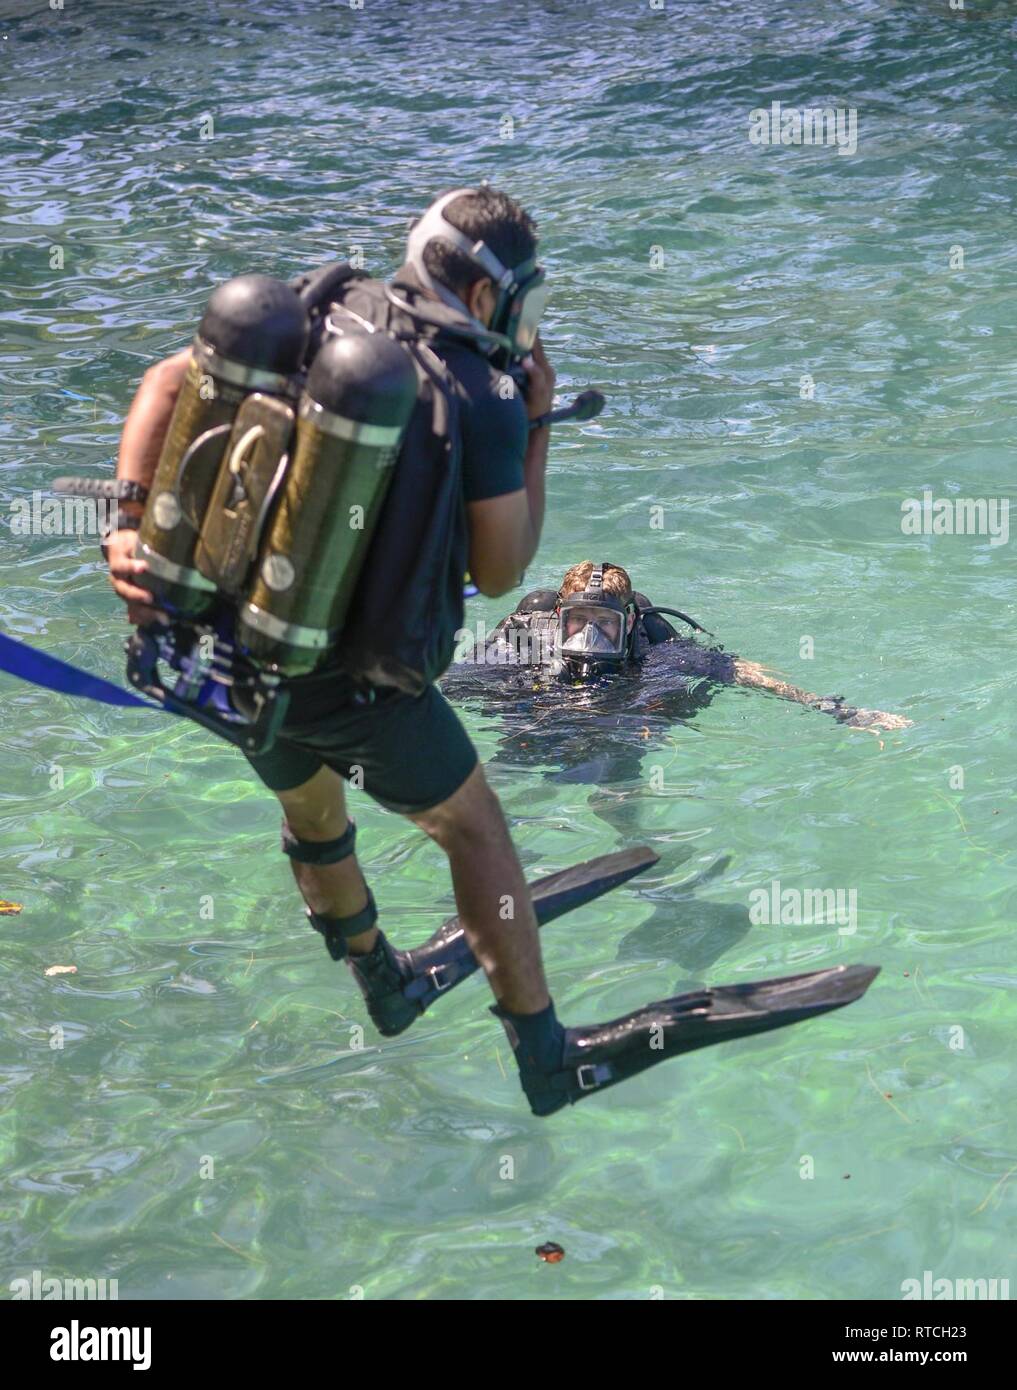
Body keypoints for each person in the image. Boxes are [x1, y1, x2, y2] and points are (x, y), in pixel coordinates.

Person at [101, 192, 878, 1116]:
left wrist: (126, 519)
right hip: (354, 682)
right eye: (527, 307)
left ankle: (380, 979)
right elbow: (503, 569)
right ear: (481, 290)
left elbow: (161, 383)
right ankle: (546, 1051)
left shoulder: (323, 304)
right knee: (478, 835)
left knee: (312, 814)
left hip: (231, 648)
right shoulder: (481, 392)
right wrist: (536, 424)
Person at [464, 560, 913, 734]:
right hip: (546, 726)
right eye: (578, 623)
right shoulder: (529, 637)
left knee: (624, 773)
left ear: (632, 622)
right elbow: (453, 684)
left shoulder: (655, 647)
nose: (589, 639)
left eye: (606, 626)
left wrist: (839, 711)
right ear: (557, 615)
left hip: (619, 723)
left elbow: (744, 674)